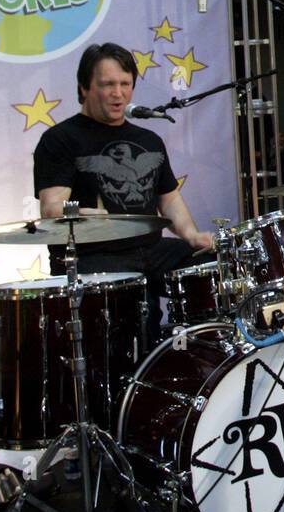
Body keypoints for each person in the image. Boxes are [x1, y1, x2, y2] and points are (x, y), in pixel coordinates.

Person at [34, 43, 214, 346]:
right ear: (84, 88)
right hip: (94, 258)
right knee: (131, 334)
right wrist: (81, 211)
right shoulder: (60, 139)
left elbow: (168, 198)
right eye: (107, 85)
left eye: (125, 84)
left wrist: (192, 235)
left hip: (151, 251)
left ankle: (207, 352)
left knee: (214, 263)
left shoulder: (149, 139)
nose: (118, 93)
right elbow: (52, 207)